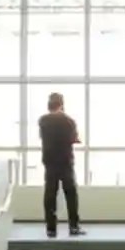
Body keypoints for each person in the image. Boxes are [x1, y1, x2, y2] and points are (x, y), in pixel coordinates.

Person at [38, 92, 85, 238]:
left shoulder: (43, 121)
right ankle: (73, 226)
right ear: (61, 104)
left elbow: (42, 137)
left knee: (50, 195)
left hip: (50, 162)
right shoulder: (69, 121)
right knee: (70, 194)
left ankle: (51, 228)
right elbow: (74, 139)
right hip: (65, 162)